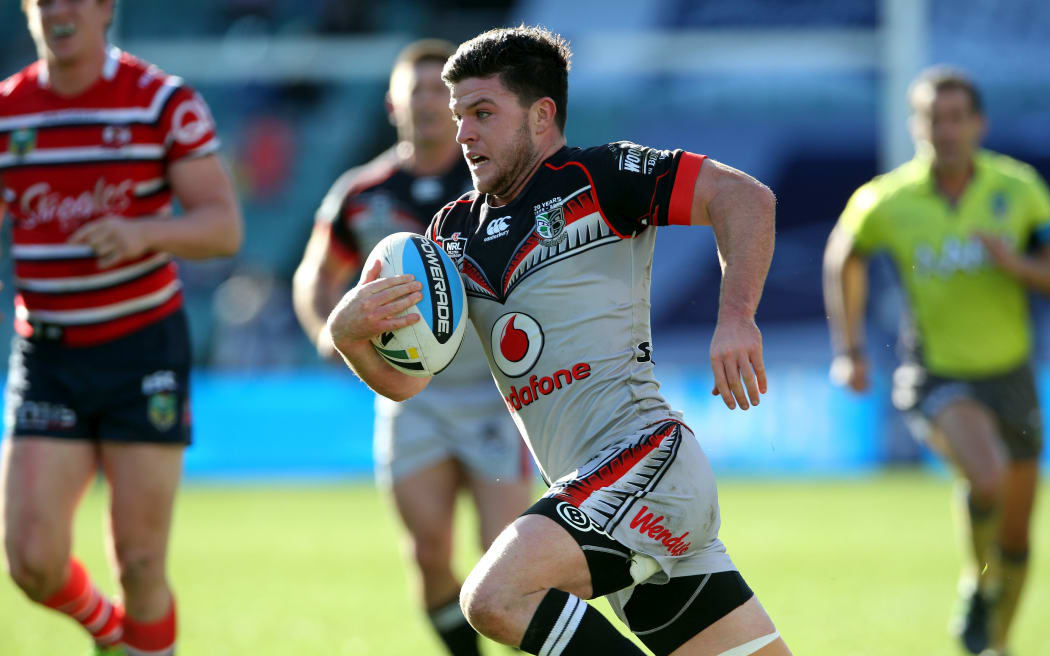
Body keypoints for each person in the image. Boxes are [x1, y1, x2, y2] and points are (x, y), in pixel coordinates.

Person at [327, 26, 791, 656]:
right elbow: (409, 382)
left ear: (542, 115)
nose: (462, 133)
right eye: (460, 114)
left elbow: (743, 197)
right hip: (602, 499)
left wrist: (736, 316)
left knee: (493, 598)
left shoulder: (602, 175)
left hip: (644, 464)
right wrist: (350, 335)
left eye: (483, 113)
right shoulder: (451, 233)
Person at [0, 1, 242, 654]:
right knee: (30, 561)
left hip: (142, 351)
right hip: (47, 356)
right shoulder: (8, 110)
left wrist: (142, 232)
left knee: (138, 562)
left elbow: (223, 227)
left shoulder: (161, 101)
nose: (60, 10)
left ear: (106, 7)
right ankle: (111, 634)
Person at [292, 39, 532, 656]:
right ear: (391, 102)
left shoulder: (498, 183)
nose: (428, 103)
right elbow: (315, 277)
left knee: (508, 556)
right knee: (428, 558)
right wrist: (330, 332)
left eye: (440, 93)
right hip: (409, 399)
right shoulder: (361, 192)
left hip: (496, 396)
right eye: (415, 90)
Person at [824, 66, 1049, 656]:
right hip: (938, 373)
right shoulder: (888, 199)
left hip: (1012, 373)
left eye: (956, 118)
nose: (944, 131)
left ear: (978, 124)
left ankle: (996, 642)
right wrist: (848, 350)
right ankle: (976, 588)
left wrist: (1016, 266)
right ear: (915, 125)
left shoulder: (1018, 188)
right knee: (988, 475)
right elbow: (843, 255)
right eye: (932, 118)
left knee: (1019, 538)